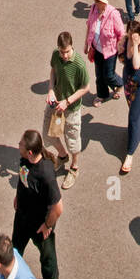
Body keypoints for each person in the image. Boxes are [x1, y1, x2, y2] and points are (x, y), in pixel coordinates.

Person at [13, 131, 62, 279]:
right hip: (22, 215)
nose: (18, 145)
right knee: (15, 250)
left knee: (46, 255)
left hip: (40, 223)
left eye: (21, 144)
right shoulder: (25, 160)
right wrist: (18, 196)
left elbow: (58, 207)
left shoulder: (46, 174)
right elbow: (23, 179)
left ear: (30, 152)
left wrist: (48, 224)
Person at [44, 31, 89, 190]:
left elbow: (86, 87)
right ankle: (62, 156)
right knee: (49, 135)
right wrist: (50, 89)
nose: (64, 55)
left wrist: (68, 101)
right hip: (56, 105)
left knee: (73, 142)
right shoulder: (55, 55)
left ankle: (74, 167)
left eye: (67, 52)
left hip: (71, 108)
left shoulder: (79, 64)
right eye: (62, 52)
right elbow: (53, 71)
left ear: (72, 47)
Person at [117, 19, 140, 174]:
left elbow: (136, 64)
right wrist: (122, 44)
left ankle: (129, 153)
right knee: (134, 108)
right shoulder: (125, 40)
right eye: (130, 35)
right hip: (128, 82)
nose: (131, 38)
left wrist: (135, 45)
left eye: (134, 36)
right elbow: (121, 59)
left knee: (132, 116)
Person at [84, 0, 125, 105]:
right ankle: (102, 95)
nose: (94, 2)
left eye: (97, 0)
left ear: (103, 1)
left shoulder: (113, 14)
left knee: (109, 75)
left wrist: (122, 50)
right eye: (94, 0)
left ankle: (120, 84)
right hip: (96, 48)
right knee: (99, 75)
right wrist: (86, 43)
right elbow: (89, 26)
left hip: (110, 50)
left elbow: (121, 34)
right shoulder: (93, 9)